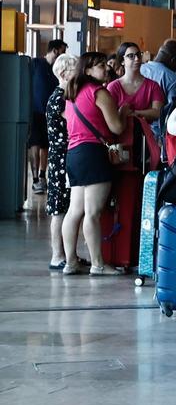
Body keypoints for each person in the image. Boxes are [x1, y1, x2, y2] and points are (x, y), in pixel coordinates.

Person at [61, 52, 126, 276]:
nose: (105, 69)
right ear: (87, 70)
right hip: (93, 154)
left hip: (74, 153)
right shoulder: (99, 93)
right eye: (100, 66)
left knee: (74, 210)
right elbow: (116, 127)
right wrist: (124, 113)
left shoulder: (72, 93)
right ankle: (98, 264)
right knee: (93, 213)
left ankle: (70, 262)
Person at [46, 54, 83, 270]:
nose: (77, 75)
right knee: (60, 208)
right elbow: (72, 124)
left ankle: (68, 254)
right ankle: (58, 255)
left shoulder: (62, 96)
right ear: (63, 74)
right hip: (61, 158)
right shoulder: (60, 98)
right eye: (74, 71)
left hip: (61, 156)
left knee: (65, 206)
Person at [107, 42, 166, 164]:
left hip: (145, 138)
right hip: (120, 139)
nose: (137, 59)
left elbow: (157, 112)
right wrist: (145, 112)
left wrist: (133, 112)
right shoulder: (113, 87)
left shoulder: (153, 86)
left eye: (139, 55)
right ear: (122, 60)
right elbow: (109, 115)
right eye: (131, 56)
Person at [29, 39, 67, 194]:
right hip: (35, 112)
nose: (63, 55)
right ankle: (36, 179)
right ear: (55, 50)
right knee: (35, 144)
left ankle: (43, 176)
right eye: (62, 51)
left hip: (51, 114)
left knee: (46, 145)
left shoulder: (57, 70)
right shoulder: (35, 64)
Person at [140, 40, 176, 146]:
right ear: (173, 60)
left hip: (136, 130)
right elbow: (174, 113)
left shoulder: (139, 70)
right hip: (158, 136)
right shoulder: (173, 79)